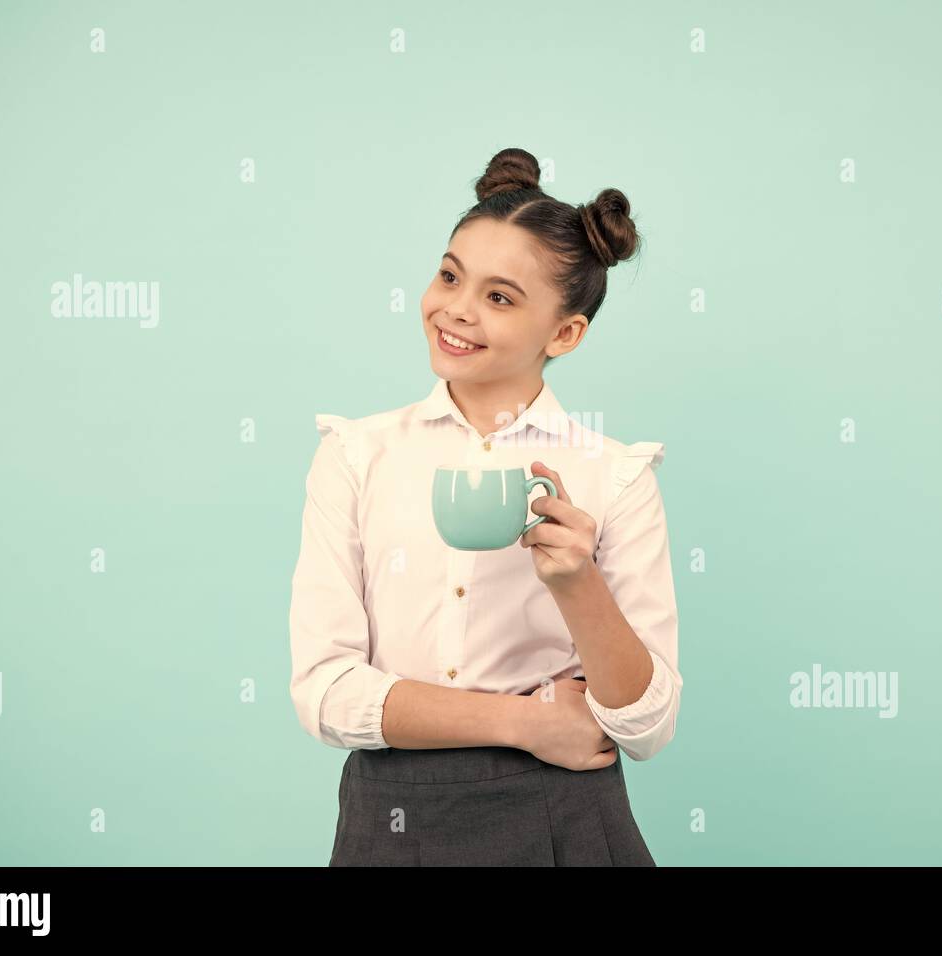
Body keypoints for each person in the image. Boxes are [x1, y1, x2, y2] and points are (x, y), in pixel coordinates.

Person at [288, 146, 681, 866]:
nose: (456, 310)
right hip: (391, 820)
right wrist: (528, 722)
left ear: (564, 334)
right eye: (449, 275)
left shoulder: (615, 475)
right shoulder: (356, 455)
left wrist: (577, 582)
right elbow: (327, 693)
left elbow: (646, 726)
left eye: (499, 297)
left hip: (567, 818)